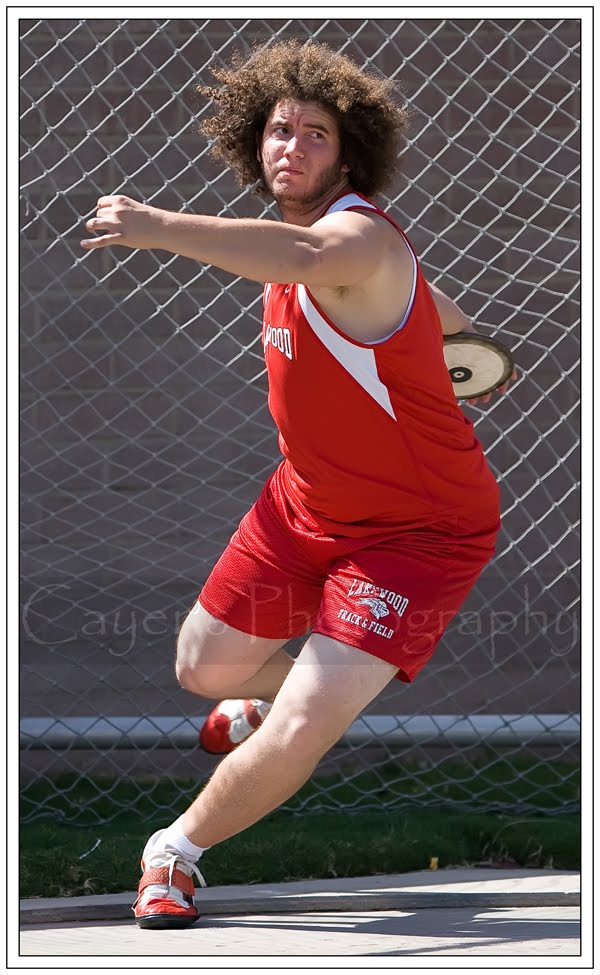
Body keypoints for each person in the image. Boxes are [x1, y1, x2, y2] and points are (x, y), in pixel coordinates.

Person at [81, 39, 514, 929]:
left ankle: (175, 853)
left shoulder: (352, 237)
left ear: (348, 155)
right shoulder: (294, 248)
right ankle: (283, 696)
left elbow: (312, 257)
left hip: (419, 533)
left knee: (306, 722)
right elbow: (471, 348)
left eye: (315, 134)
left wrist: (158, 226)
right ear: (255, 141)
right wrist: (454, 362)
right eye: (279, 130)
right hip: (307, 504)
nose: (292, 147)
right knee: (202, 668)